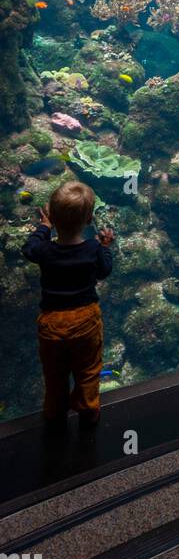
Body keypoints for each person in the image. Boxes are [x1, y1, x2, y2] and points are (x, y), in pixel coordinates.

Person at [21, 180, 114, 427]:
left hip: (52, 322)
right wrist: (105, 246)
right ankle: (88, 411)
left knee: (55, 374)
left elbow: (28, 248)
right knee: (88, 370)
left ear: (53, 216)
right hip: (85, 320)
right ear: (89, 220)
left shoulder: (44, 250)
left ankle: (54, 414)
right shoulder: (93, 248)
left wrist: (44, 227)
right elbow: (104, 271)